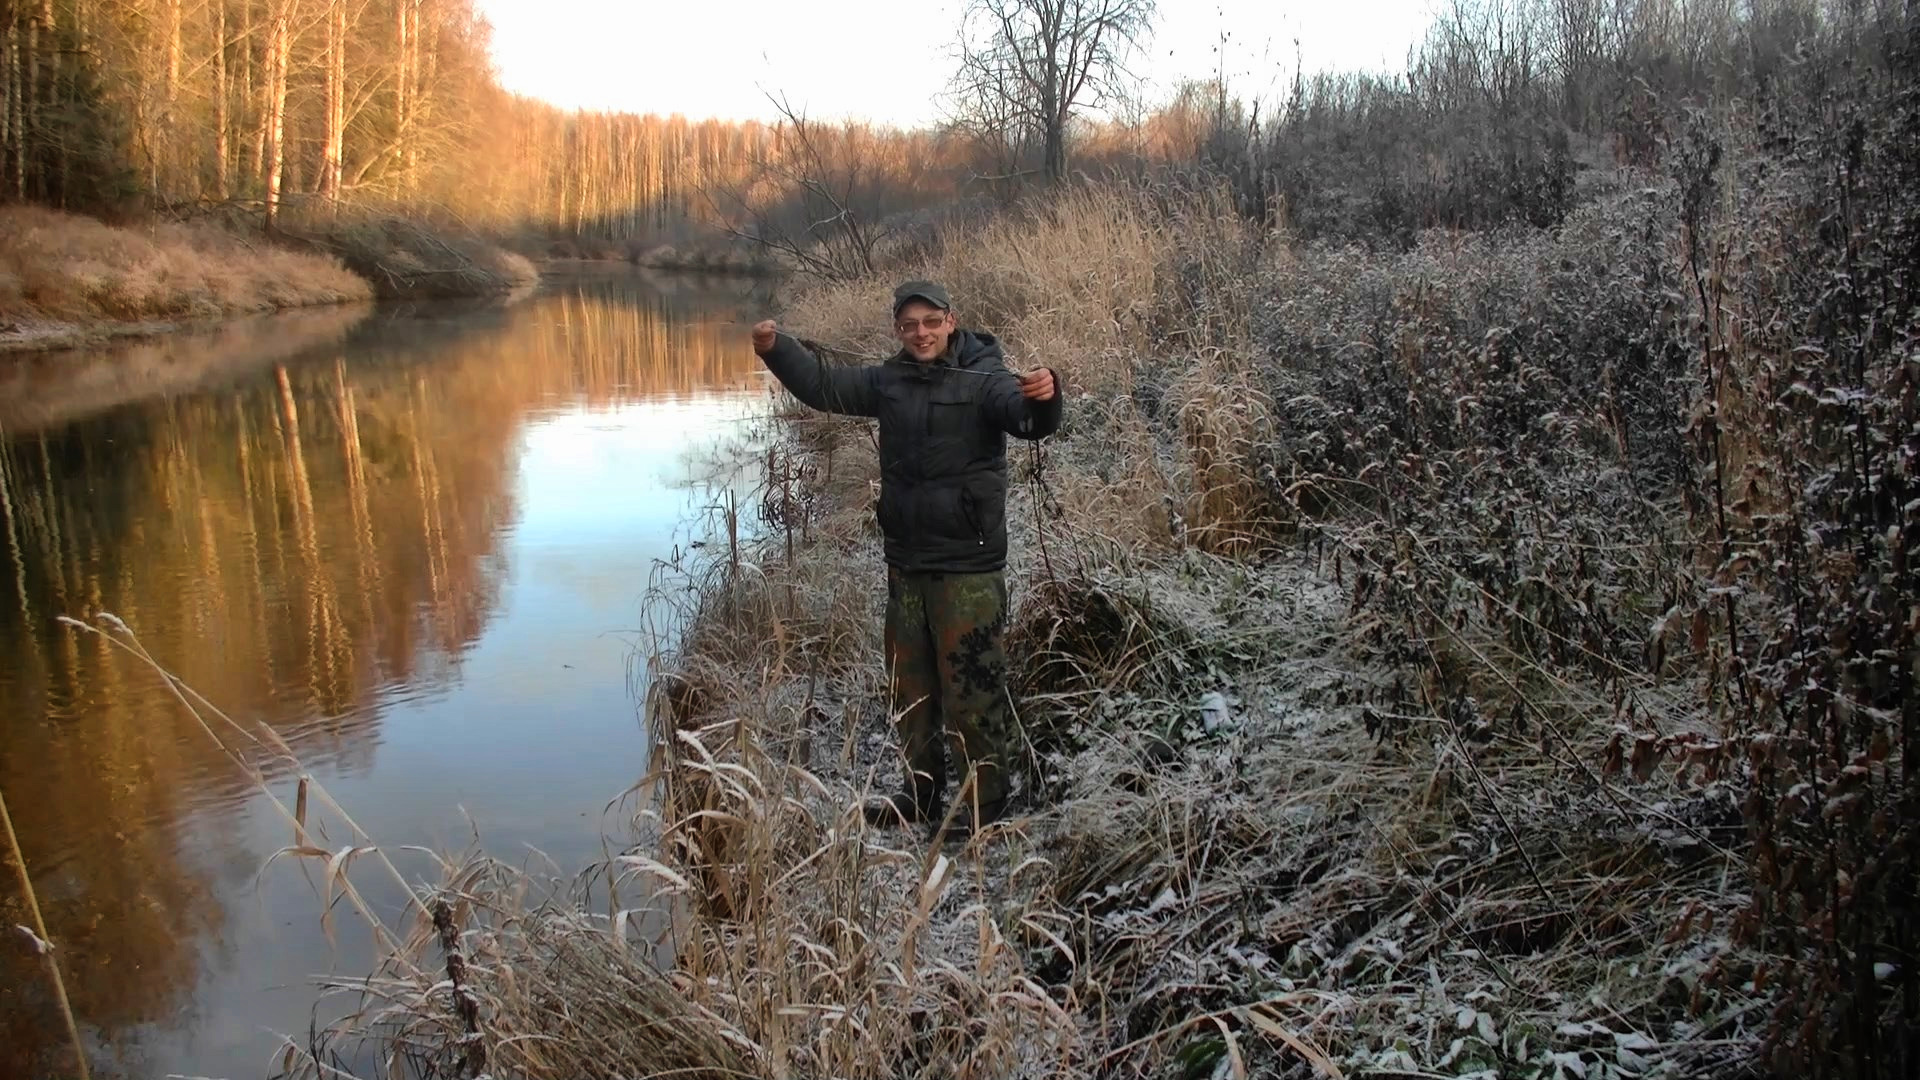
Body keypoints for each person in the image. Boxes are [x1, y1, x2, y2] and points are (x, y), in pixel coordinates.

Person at [751, 280, 1063, 836]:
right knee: (910, 687)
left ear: (950, 320)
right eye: (908, 325)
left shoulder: (986, 377)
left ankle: (983, 804)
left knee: (972, 688)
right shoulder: (889, 381)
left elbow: (1026, 420)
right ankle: (920, 794)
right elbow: (825, 386)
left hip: (968, 565)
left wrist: (1046, 394)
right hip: (907, 563)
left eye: (930, 322)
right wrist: (778, 350)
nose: (920, 334)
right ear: (898, 330)